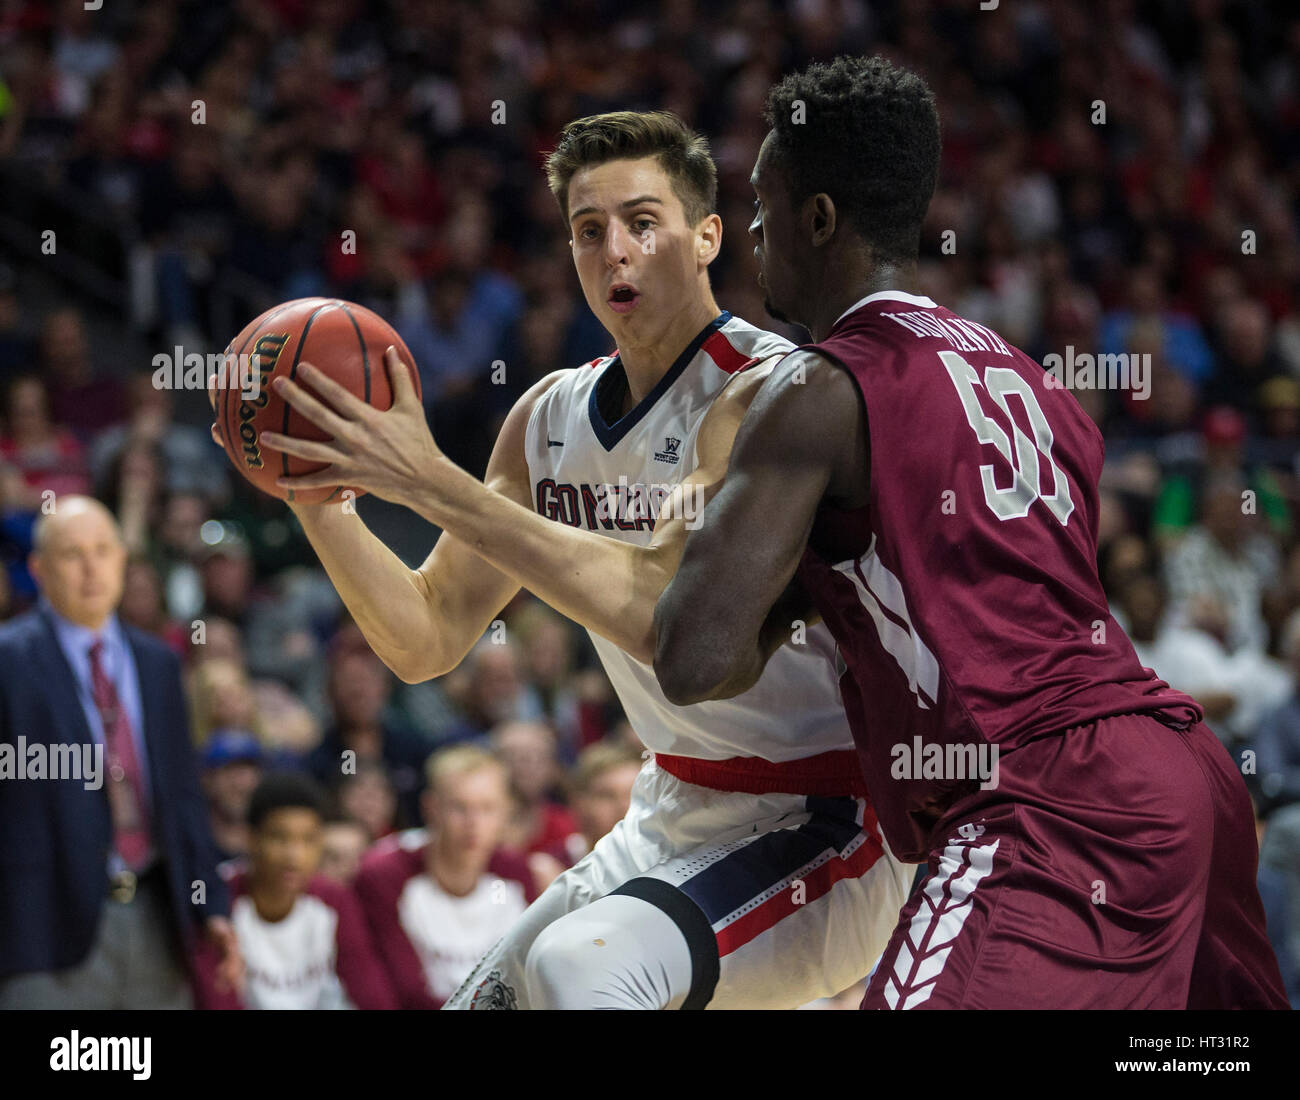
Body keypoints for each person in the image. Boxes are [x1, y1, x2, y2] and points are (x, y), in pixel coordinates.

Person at [223, 110, 910, 1009]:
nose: (614, 251)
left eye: (642, 222)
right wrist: (316, 492)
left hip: (827, 816)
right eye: (589, 231)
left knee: (582, 972)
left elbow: (671, 611)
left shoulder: (772, 393)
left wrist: (430, 480)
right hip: (670, 809)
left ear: (707, 238)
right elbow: (426, 638)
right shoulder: (548, 418)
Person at [652, 55, 1288, 1009]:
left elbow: (691, 654)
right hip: (1181, 770)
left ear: (818, 219)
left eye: (759, 202)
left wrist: (708, 525)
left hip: (1046, 799)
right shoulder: (1038, 386)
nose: (747, 230)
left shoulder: (817, 389)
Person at [0, 495, 240, 1008]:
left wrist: (210, 905)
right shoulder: (9, 660)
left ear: (122, 561)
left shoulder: (158, 662)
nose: (91, 568)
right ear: (39, 569)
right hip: (42, 930)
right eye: (72, 554)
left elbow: (182, 795)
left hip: (156, 914)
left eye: (103, 550)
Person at [194, 771, 397, 1010]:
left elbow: (373, 996)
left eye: (308, 840)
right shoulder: (218, 901)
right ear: (251, 838)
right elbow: (217, 1001)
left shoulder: (334, 900)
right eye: (279, 838)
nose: (294, 856)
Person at [352, 746, 534, 1009]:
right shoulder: (385, 876)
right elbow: (404, 992)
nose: (474, 823)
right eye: (460, 808)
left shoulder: (515, 873)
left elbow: (525, 975)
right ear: (431, 808)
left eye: (488, 808)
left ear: (506, 813)